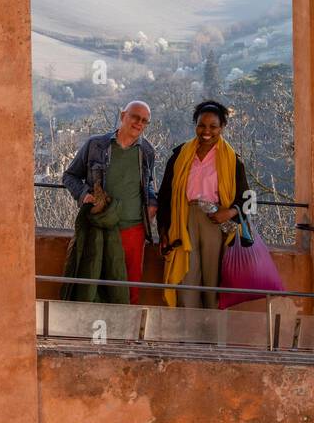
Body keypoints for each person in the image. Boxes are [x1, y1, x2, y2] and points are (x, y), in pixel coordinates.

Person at [157, 99, 253, 308]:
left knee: (214, 283)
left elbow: (247, 200)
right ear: (195, 125)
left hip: (216, 224)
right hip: (184, 222)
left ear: (222, 128)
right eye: (201, 125)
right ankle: (187, 337)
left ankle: (213, 337)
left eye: (213, 126)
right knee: (186, 282)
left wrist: (228, 214)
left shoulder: (232, 160)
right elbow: (165, 195)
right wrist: (163, 229)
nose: (206, 131)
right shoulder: (180, 155)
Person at [61, 101, 157, 304]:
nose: (139, 123)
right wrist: (84, 194)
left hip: (133, 229)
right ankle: (92, 331)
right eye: (135, 117)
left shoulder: (147, 151)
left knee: (129, 286)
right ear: (123, 115)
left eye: (144, 121)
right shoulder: (95, 145)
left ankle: (126, 335)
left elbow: (147, 183)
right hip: (99, 227)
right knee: (93, 283)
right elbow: (69, 176)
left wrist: (152, 202)